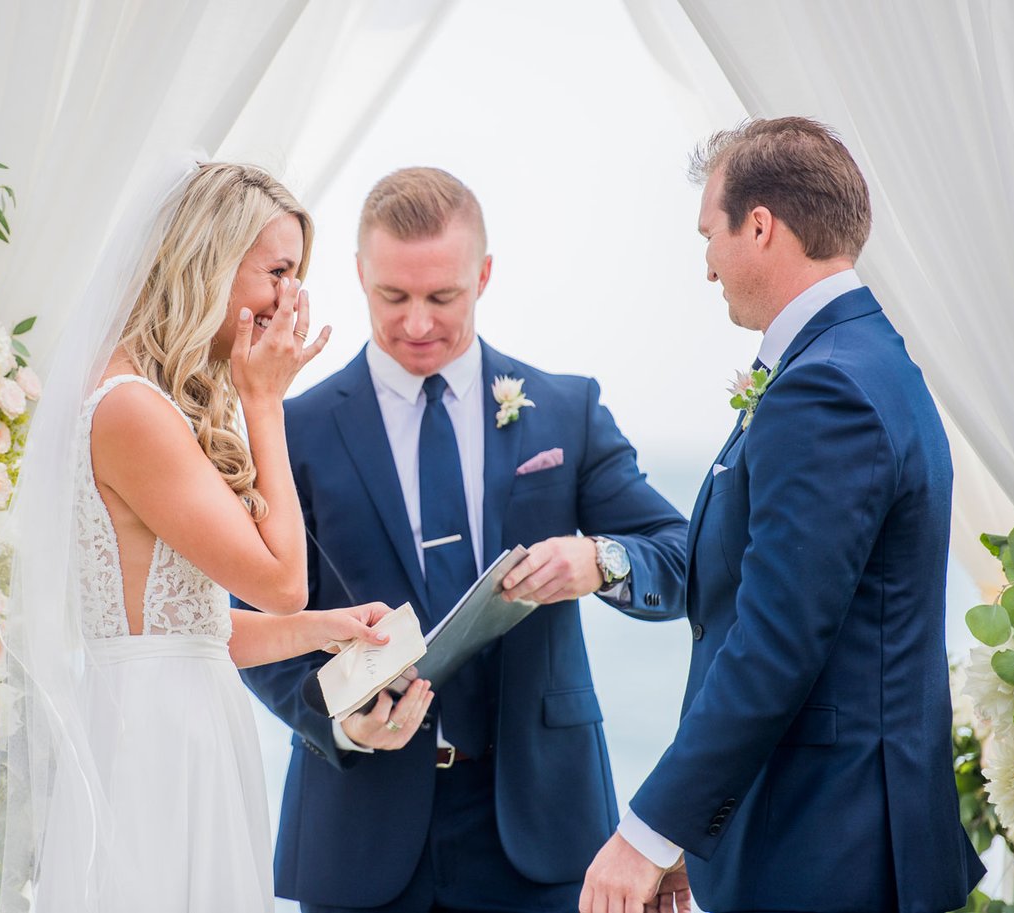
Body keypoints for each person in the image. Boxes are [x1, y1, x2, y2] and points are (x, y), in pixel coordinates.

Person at [241, 167, 689, 913]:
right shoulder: (295, 429)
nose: (418, 323)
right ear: (359, 275)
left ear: (483, 274)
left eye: (443, 297)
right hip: (360, 826)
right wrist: (340, 720)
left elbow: (678, 551)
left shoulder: (565, 410)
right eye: (394, 297)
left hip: (539, 825)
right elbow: (249, 619)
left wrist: (599, 560)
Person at [580, 117, 985, 913]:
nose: (706, 266)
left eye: (710, 234)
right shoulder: (866, 358)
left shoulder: (825, 388)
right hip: (835, 834)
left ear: (760, 226)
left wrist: (649, 831)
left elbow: (775, 642)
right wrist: (702, 833)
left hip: (830, 849)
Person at [0, 163, 393, 913]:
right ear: (210, 257)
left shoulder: (144, 399)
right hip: (158, 741)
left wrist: (321, 630)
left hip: (173, 713)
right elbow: (281, 580)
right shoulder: (132, 408)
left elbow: (184, 628)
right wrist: (265, 403)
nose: (289, 301)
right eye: (278, 271)